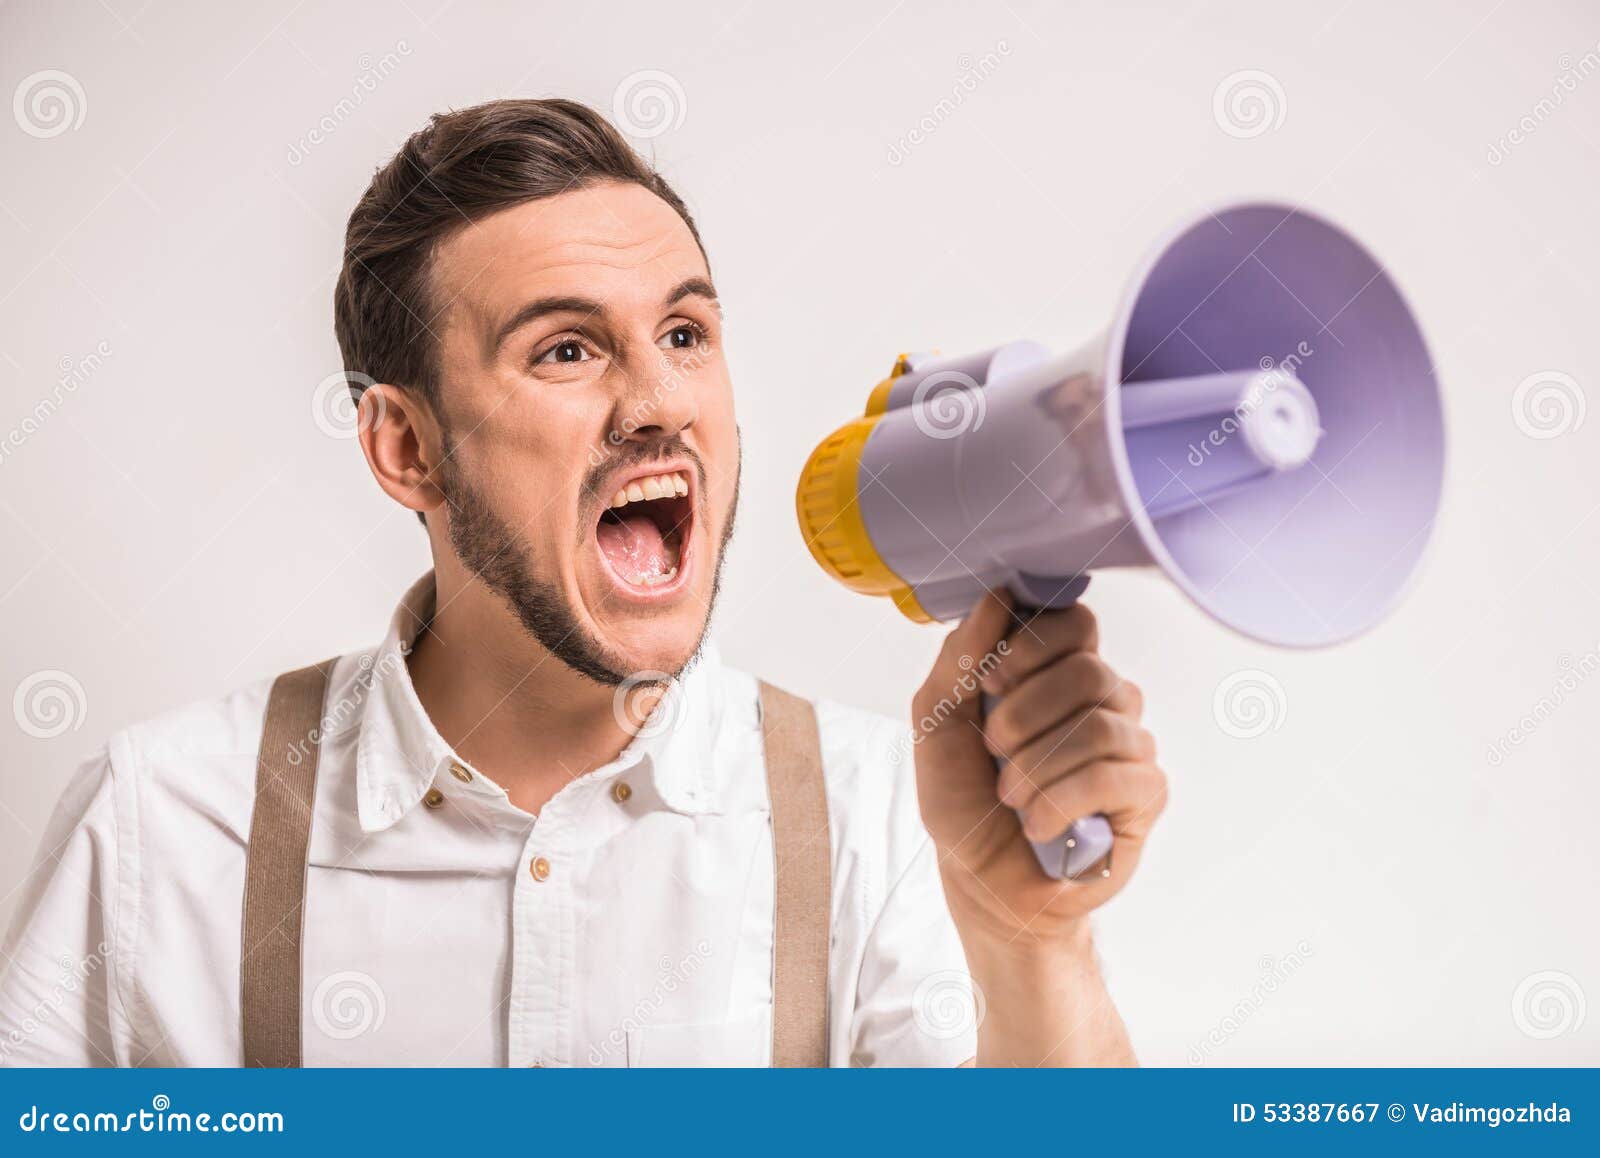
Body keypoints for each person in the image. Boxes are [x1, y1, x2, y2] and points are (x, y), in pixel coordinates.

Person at [0, 99, 1166, 1067]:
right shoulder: (163, 826)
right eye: (566, 348)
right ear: (405, 447)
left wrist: (1028, 939)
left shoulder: (885, 820)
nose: (659, 401)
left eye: (686, 334)